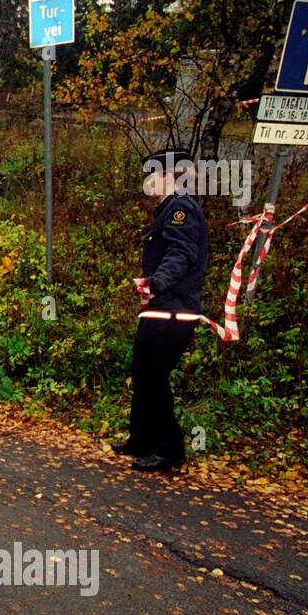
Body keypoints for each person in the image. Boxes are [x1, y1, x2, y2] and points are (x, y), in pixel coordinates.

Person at [113, 148, 208, 472]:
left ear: (168, 175)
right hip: (161, 307)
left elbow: (182, 251)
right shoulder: (169, 209)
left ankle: (169, 450)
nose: (147, 181)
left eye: (151, 174)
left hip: (175, 310)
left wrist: (157, 282)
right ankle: (141, 439)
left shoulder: (181, 208)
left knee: (153, 377)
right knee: (142, 374)